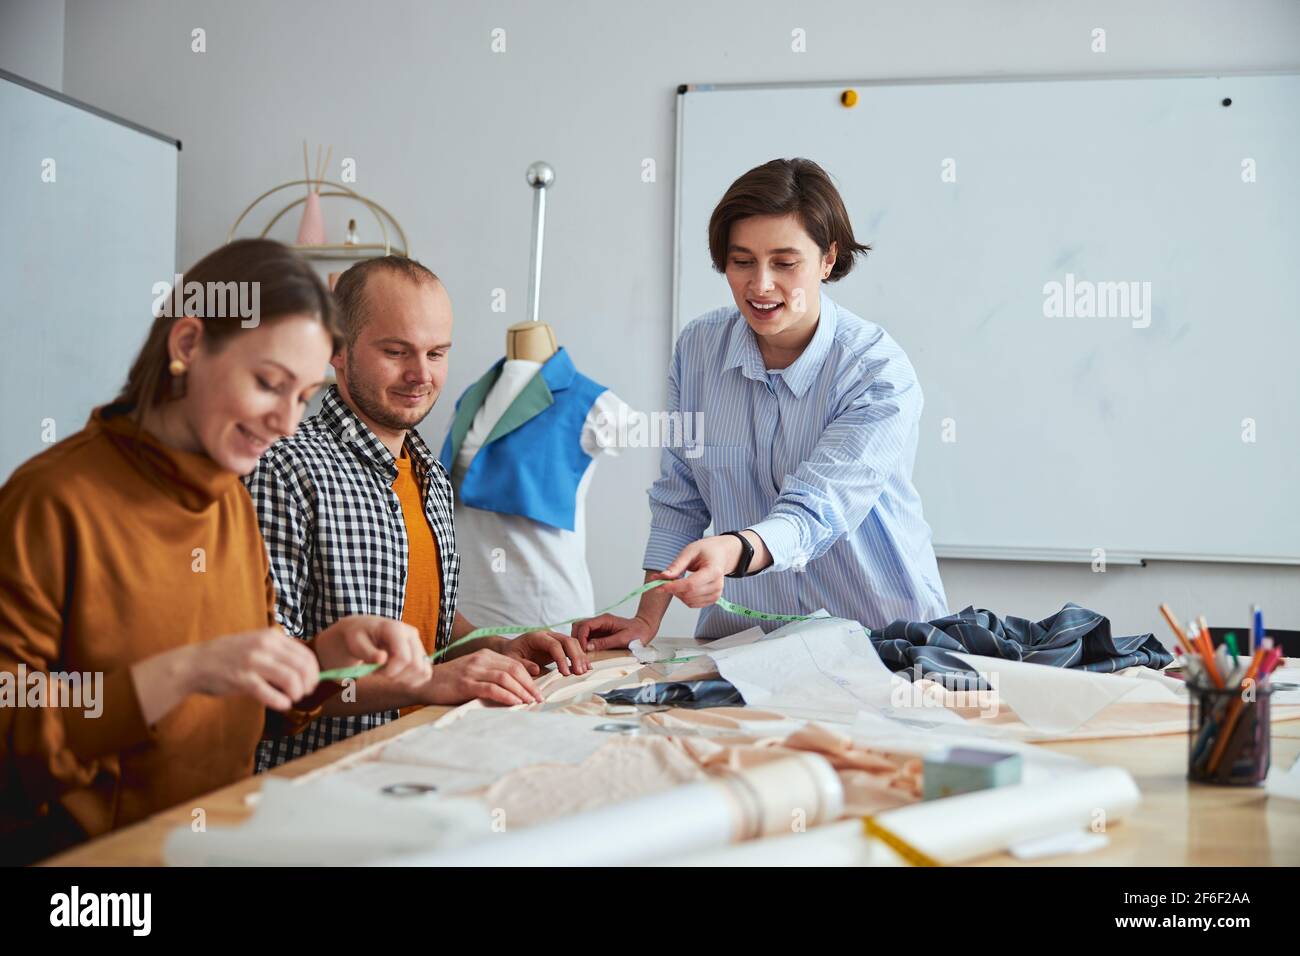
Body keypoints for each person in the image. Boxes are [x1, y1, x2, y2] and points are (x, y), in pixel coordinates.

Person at [0, 239, 430, 864]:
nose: (287, 421)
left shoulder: (231, 499)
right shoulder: (51, 500)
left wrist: (318, 662)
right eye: (268, 384)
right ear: (187, 346)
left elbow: (240, 701)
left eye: (305, 396)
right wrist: (178, 674)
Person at [574, 158, 948, 651]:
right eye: (742, 261)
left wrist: (733, 551)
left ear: (828, 260)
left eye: (785, 263)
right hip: (743, 649)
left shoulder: (876, 372)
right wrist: (646, 619)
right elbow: (680, 495)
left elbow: (816, 511)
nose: (760, 285)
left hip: (882, 646)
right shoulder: (699, 349)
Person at [245, 256, 589, 771]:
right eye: (396, 351)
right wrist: (435, 681)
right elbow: (274, 678)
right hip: (323, 779)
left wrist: (497, 643)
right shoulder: (285, 467)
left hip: (421, 756)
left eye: (436, 353)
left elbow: (429, 621)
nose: (420, 375)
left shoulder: (425, 469)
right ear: (336, 349)